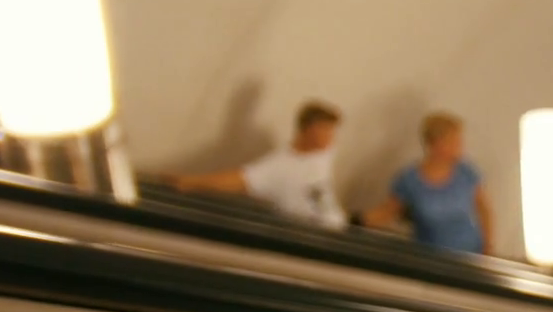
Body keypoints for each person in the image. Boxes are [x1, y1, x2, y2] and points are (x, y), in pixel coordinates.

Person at [167, 102, 347, 230]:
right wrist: (191, 182)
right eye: (327, 130)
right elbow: (236, 180)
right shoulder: (277, 166)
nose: (332, 137)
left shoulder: (325, 153)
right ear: (311, 130)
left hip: (338, 229)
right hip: (310, 239)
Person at [363, 112, 494, 256]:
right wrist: (354, 222)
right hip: (429, 256)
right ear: (436, 143)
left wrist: (488, 245)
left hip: (469, 254)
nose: (460, 146)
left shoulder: (466, 173)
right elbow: (386, 212)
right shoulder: (410, 179)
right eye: (454, 141)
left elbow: (484, 209)